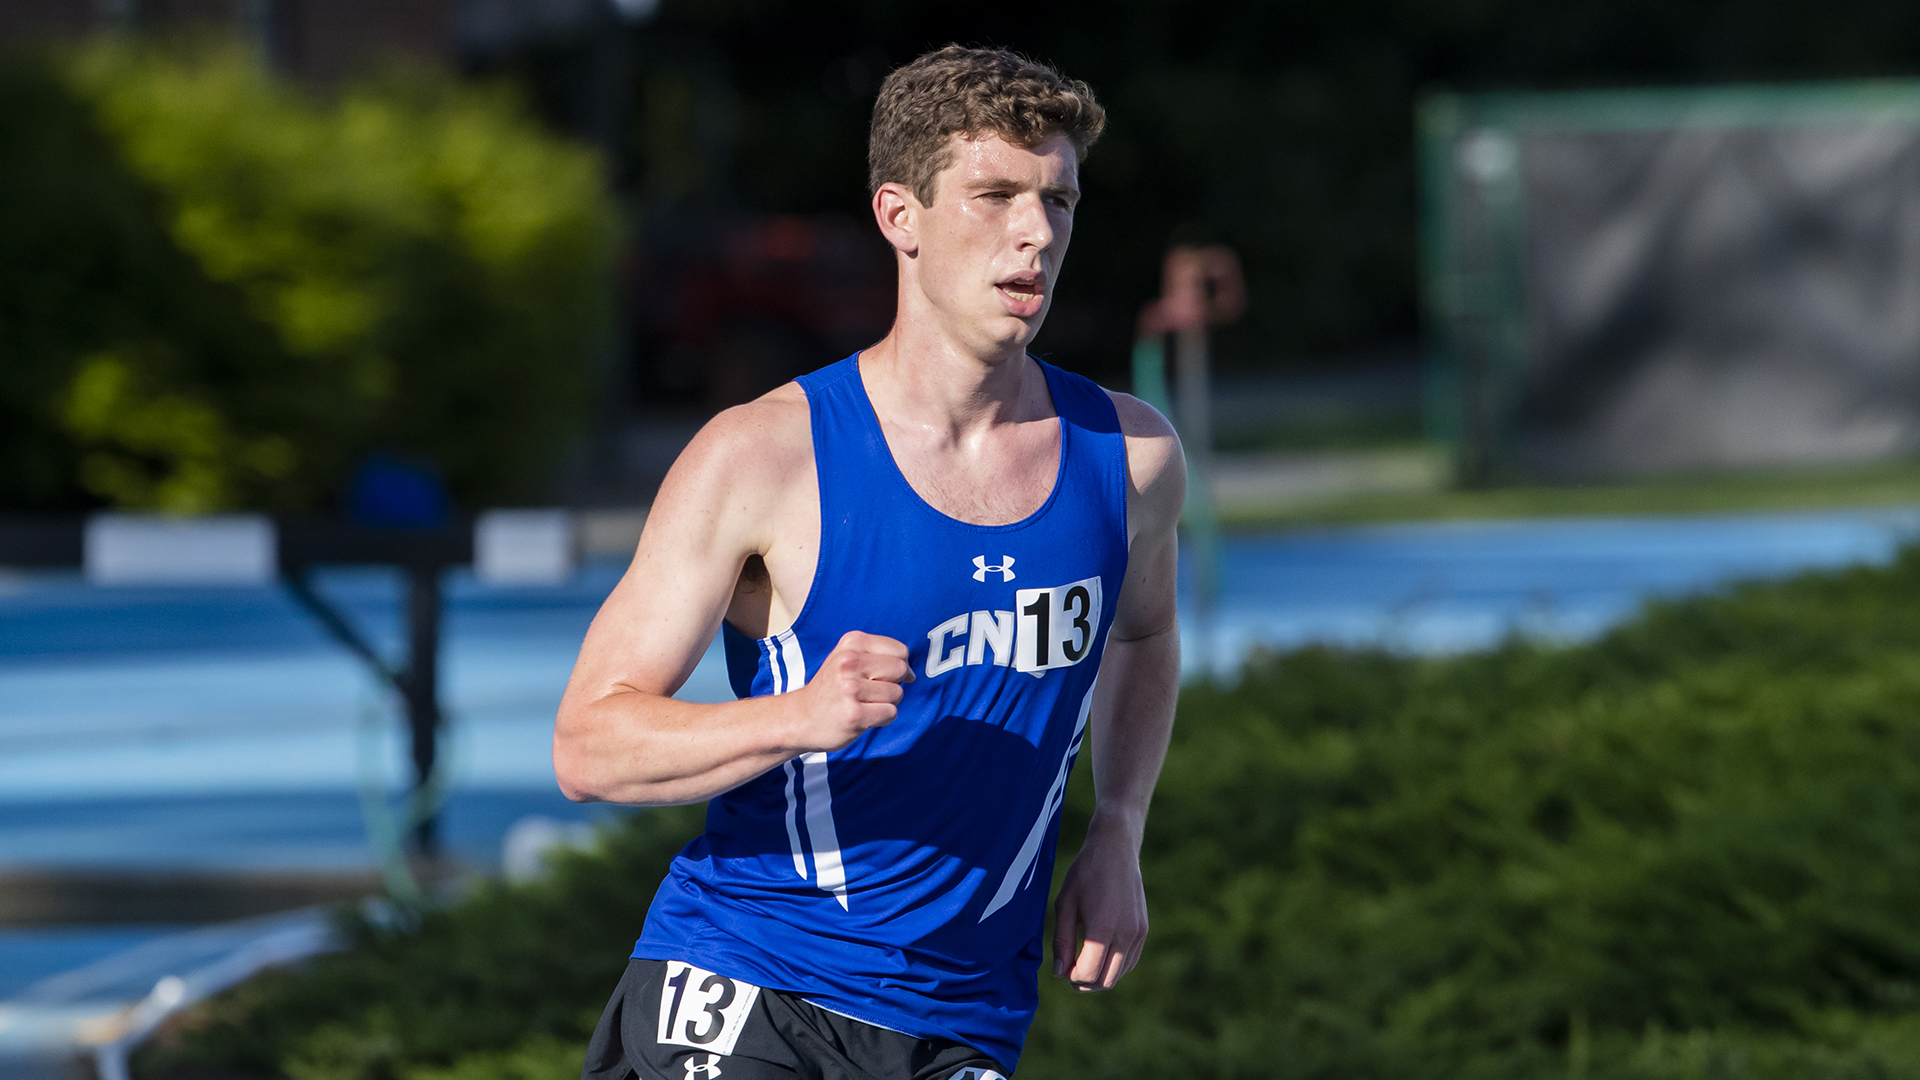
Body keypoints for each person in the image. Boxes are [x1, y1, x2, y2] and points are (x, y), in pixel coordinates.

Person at [556, 44, 1184, 1080]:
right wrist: (796, 717)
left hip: (963, 1012)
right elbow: (588, 744)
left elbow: (1146, 631)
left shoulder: (1132, 458)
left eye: (1058, 200)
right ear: (901, 217)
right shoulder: (762, 455)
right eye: (994, 195)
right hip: (751, 983)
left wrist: (1118, 830)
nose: (1034, 233)